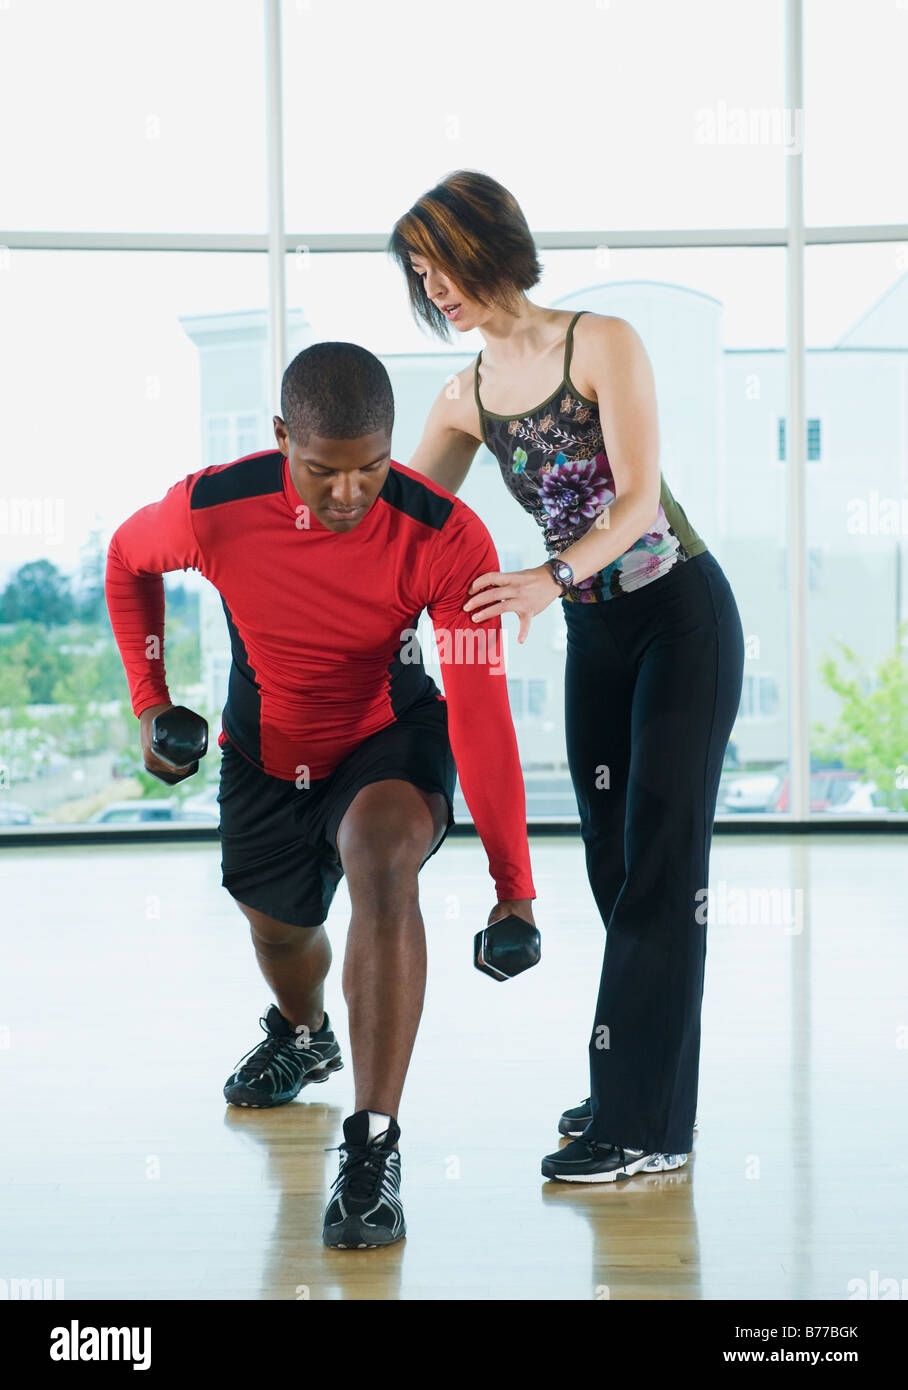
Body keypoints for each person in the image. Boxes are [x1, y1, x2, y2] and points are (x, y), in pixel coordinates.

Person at [104, 341, 537, 1246]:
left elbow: (481, 711)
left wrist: (513, 887)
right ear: (279, 440)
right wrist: (150, 706)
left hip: (388, 737)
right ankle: (305, 1034)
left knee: (382, 862)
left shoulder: (447, 537)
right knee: (278, 926)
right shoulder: (213, 507)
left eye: (370, 470)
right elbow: (126, 562)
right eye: (322, 472)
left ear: (391, 449)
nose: (347, 496)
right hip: (266, 750)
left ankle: (372, 1149)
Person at [391, 169, 745, 1182]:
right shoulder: (462, 395)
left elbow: (635, 503)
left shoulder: (599, 342)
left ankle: (645, 1129)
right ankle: (629, 1081)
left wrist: (544, 578)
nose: (433, 286)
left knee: (660, 873)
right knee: (612, 871)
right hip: (594, 637)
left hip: (678, 618)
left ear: (486, 241)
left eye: (439, 260)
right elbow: (407, 519)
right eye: (417, 272)